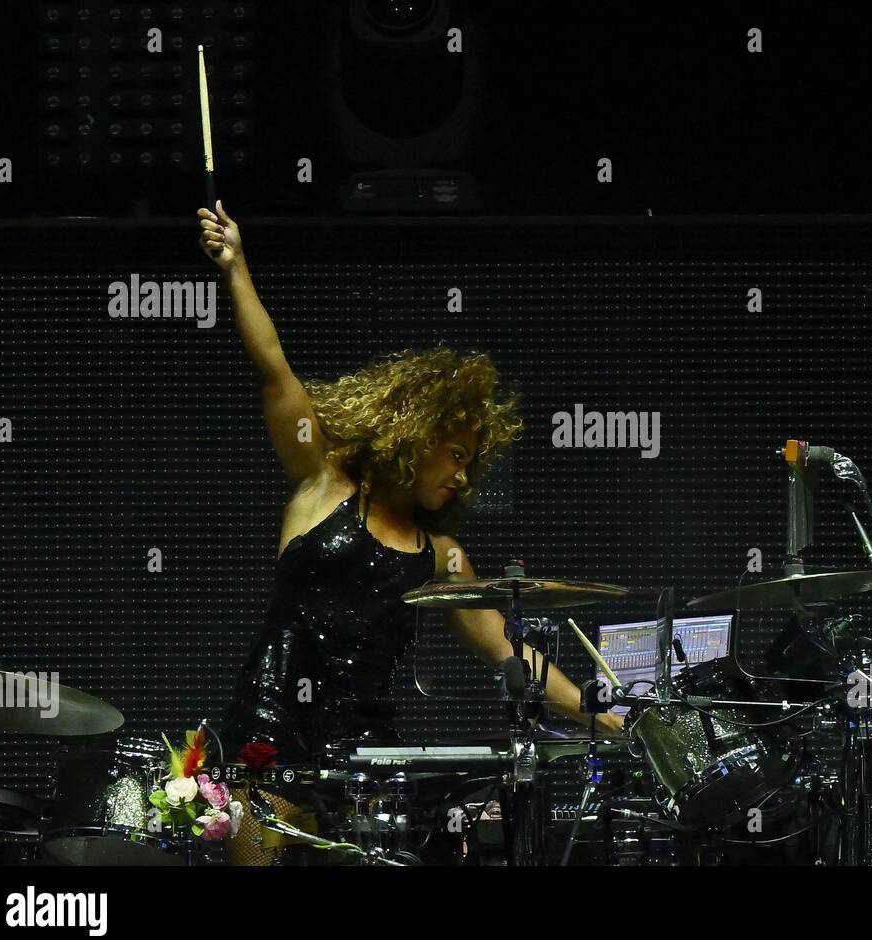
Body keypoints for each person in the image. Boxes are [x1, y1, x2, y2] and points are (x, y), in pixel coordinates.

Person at [195, 203, 623, 860]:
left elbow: (509, 649)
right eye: (456, 454)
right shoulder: (325, 482)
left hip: (367, 746)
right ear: (416, 436)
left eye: (472, 463)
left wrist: (609, 717)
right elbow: (275, 366)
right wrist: (237, 268)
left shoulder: (442, 554)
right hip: (270, 720)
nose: (463, 476)